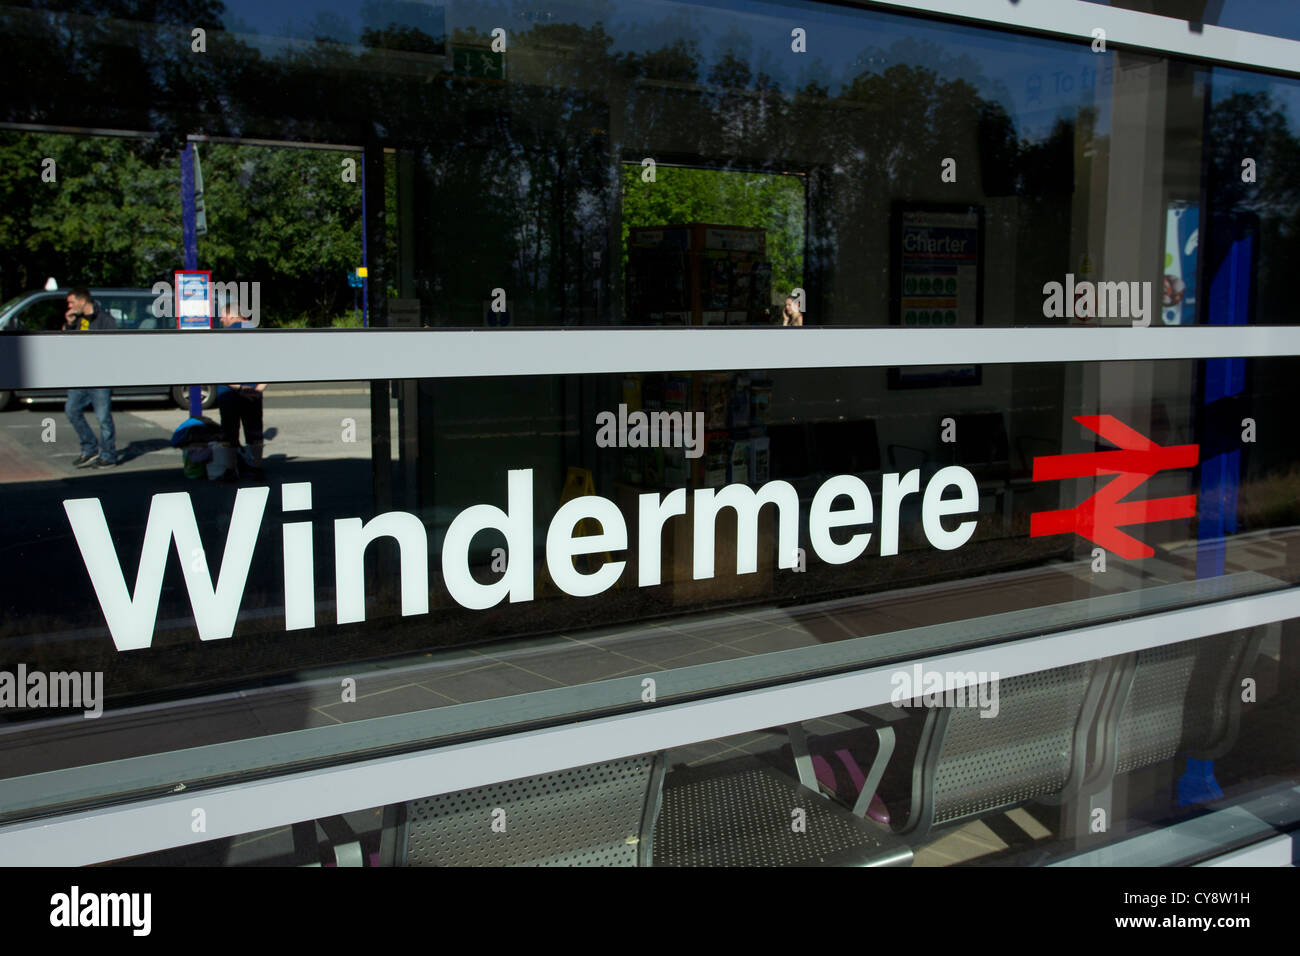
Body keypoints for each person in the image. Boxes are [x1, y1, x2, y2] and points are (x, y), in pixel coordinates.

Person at [62, 287, 118, 468]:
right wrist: (69, 325)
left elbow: (113, 346)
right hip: (80, 375)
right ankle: (89, 448)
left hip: (100, 376)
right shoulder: (76, 321)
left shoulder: (105, 320)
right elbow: (64, 344)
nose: (69, 306)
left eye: (72, 302)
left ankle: (108, 455)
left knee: (103, 417)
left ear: (82, 301)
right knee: (71, 409)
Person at [215, 303, 266, 480]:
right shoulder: (257, 333)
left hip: (229, 392)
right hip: (254, 392)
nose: (221, 319)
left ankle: (231, 470)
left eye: (223, 315)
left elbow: (218, 367)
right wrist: (259, 388)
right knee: (255, 432)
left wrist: (238, 387)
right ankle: (257, 468)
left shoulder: (222, 336)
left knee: (229, 432)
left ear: (232, 315)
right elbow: (271, 362)